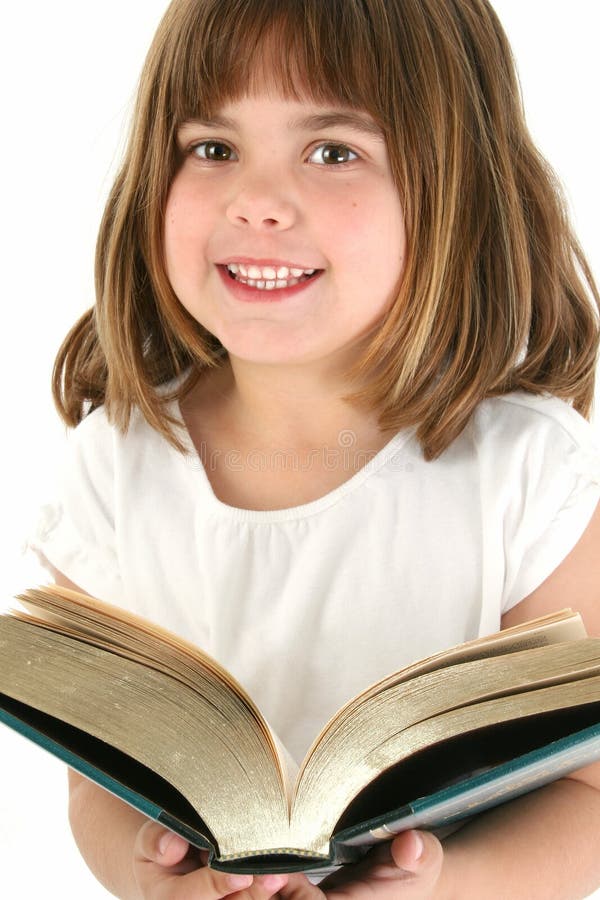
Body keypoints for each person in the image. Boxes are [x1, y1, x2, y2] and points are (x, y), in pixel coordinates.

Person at [27, 0, 600, 897]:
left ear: (453, 187)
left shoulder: (529, 477)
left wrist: (446, 885)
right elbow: (94, 784)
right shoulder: (117, 466)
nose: (256, 202)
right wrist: (157, 883)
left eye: (334, 152)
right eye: (212, 148)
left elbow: (590, 791)